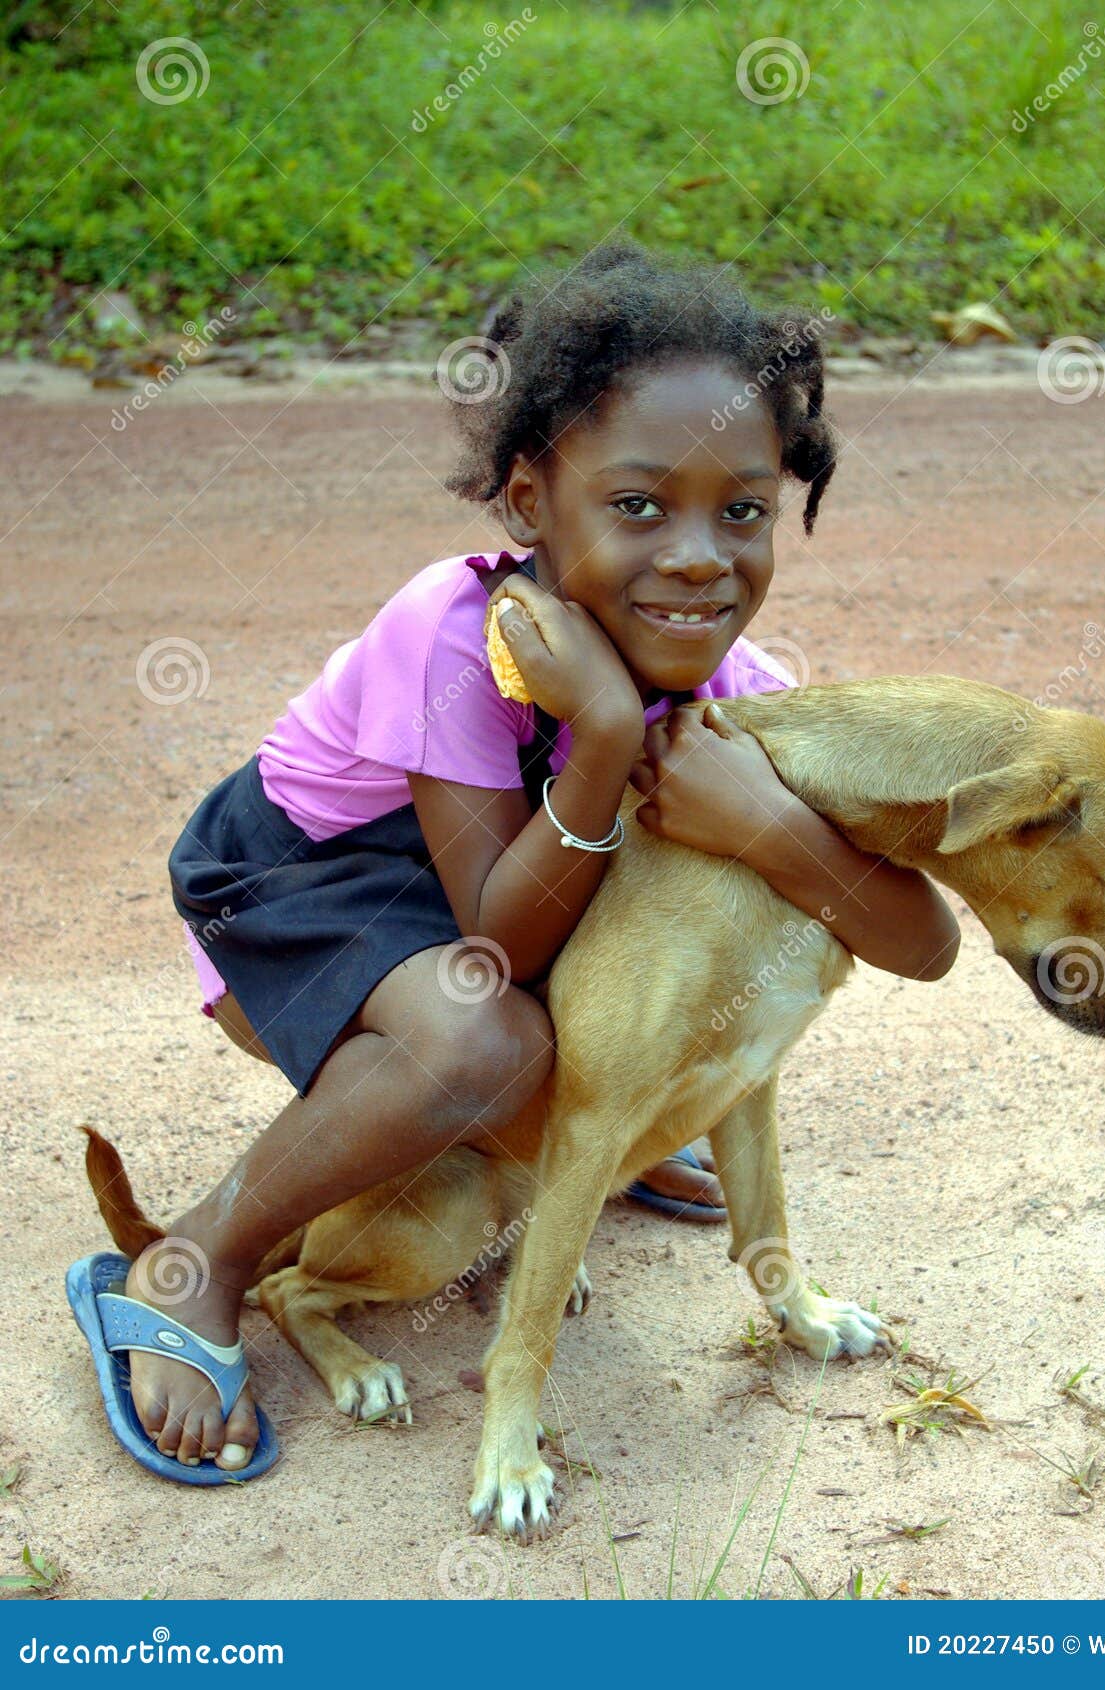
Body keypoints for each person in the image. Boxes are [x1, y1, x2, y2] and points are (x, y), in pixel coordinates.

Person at [71, 241, 960, 1480]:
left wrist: (765, 822)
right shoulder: (456, 632)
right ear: (535, 503)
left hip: (485, 908)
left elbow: (922, 944)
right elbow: (498, 944)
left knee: (608, 993)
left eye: (742, 509)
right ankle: (199, 1263)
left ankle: (567, 1135)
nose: (701, 553)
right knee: (490, 1038)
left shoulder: (739, 693)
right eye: (638, 504)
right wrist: (599, 734)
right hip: (300, 900)